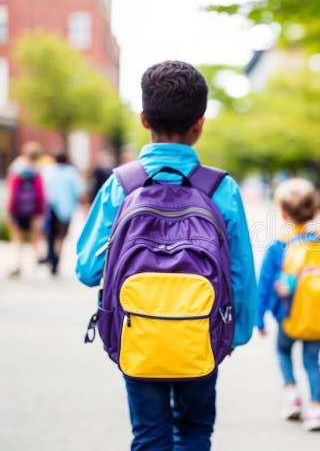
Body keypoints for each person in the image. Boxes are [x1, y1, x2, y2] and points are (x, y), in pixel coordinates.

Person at [76, 60, 258, 451]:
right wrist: (234, 335)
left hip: (136, 333)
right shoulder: (221, 189)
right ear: (200, 123)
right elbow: (240, 273)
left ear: (144, 119)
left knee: (149, 434)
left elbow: (87, 268)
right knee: (193, 430)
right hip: (203, 333)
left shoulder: (120, 186)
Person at [257, 177, 320, 432]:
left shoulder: (278, 247)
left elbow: (265, 285)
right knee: (312, 361)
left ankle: (292, 394)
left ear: (282, 213)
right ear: (314, 210)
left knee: (283, 351)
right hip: (316, 314)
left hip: (288, 315)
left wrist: (260, 318)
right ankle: (316, 411)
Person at [6, 141, 46, 278]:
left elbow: (11, 193)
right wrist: (40, 214)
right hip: (34, 211)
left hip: (17, 211)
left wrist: (9, 212)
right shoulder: (39, 171)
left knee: (17, 240)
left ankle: (17, 265)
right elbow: (41, 196)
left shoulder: (16, 169)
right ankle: (35, 266)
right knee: (35, 240)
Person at [41, 153, 83, 275]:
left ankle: (50, 256)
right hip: (66, 209)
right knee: (61, 236)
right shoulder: (71, 172)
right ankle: (56, 262)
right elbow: (79, 190)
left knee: (50, 234)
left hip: (48, 207)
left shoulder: (47, 171)